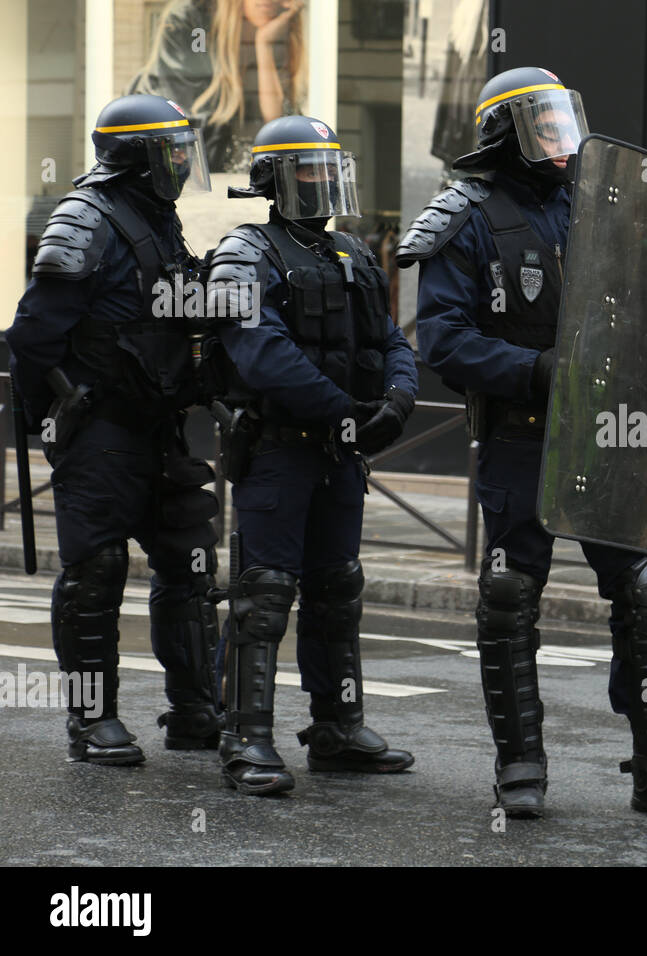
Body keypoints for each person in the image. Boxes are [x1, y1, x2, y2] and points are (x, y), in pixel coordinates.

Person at [396, 67, 647, 824]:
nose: (561, 139)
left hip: (606, 436)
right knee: (511, 597)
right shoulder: (464, 216)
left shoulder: (601, 205)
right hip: (522, 434)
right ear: (507, 133)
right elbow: (443, 339)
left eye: (563, 122)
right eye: (544, 125)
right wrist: (538, 370)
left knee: (646, 592)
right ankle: (520, 766)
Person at [7, 93, 223, 763]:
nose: (185, 161)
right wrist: (62, 409)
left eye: (188, 148)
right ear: (136, 157)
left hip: (160, 430)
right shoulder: (86, 218)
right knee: (96, 571)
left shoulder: (161, 220)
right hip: (100, 434)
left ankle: (195, 711)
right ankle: (92, 722)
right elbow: (33, 338)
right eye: (173, 149)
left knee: (190, 567)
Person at [205, 114, 417, 795]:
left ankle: (338, 727)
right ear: (271, 178)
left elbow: (390, 342)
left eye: (331, 169)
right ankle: (246, 738)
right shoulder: (243, 252)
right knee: (264, 596)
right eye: (308, 169)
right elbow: (261, 353)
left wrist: (398, 402)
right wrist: (345, 410)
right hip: (279, 451)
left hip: (339, 454)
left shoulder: (351, 253)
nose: (324, 182)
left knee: (337, 592)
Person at [129, 0, 307, 173]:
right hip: (162, 165)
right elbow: (191, 139)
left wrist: (265, 46)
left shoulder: (277, 30)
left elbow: (282, 133)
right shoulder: (194, 17)